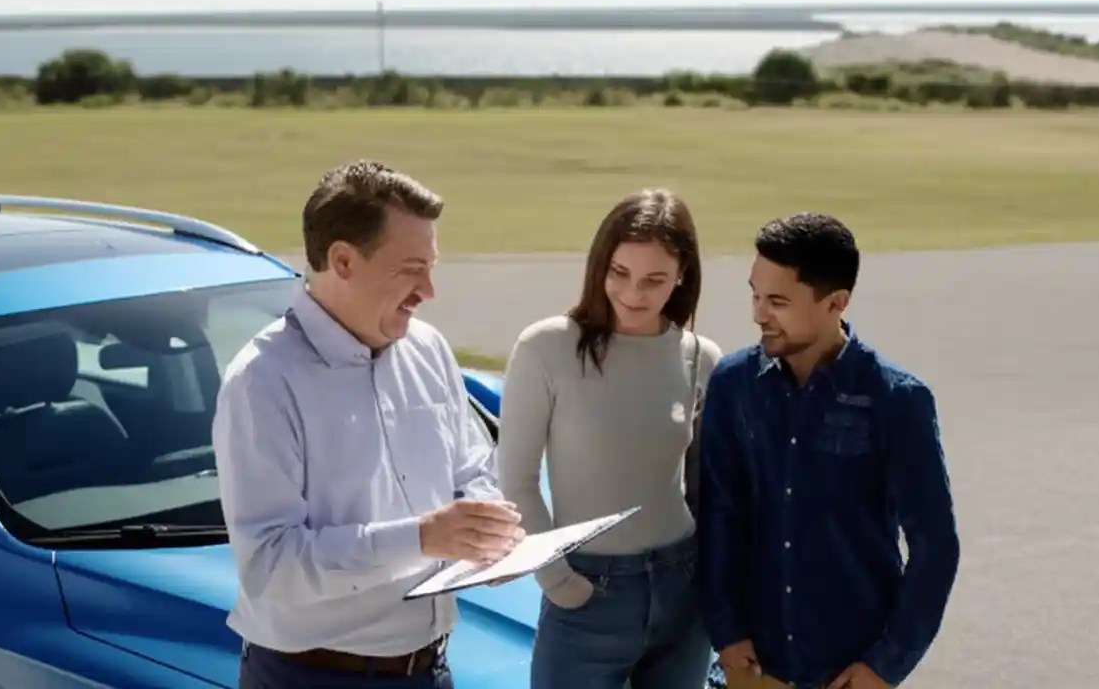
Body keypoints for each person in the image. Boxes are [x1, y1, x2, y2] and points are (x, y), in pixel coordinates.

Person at [212, 159, 525, 689]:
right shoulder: (262, 381)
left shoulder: (428, 348)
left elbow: (472, 470)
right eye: (411, 269)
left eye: (431, 267)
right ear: (343, 261)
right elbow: (271, 567)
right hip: (311, 678)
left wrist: (487, 533)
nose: (429, 290)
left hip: (430, 670)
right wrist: (421, 539)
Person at [697, 213, 960, 689]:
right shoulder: (733, 386)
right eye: (755, 295)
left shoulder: (897, 400)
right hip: (751, 666)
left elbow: (935, 546)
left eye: (778, 301)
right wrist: (726, 630)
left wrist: (886, 665)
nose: (759, 314)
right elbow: (720, 513)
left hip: (848, 672)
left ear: (836, 302)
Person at [498, 188, 724, 689]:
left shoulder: (701, 358)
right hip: (587, 593)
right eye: (619, 272)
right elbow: (516, 481)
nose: (632, 293)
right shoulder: (546, 348)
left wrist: (711, 581)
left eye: (654, 280)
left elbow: (707, 488)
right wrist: (558, 581)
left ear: (682, 275)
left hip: (683, 590)